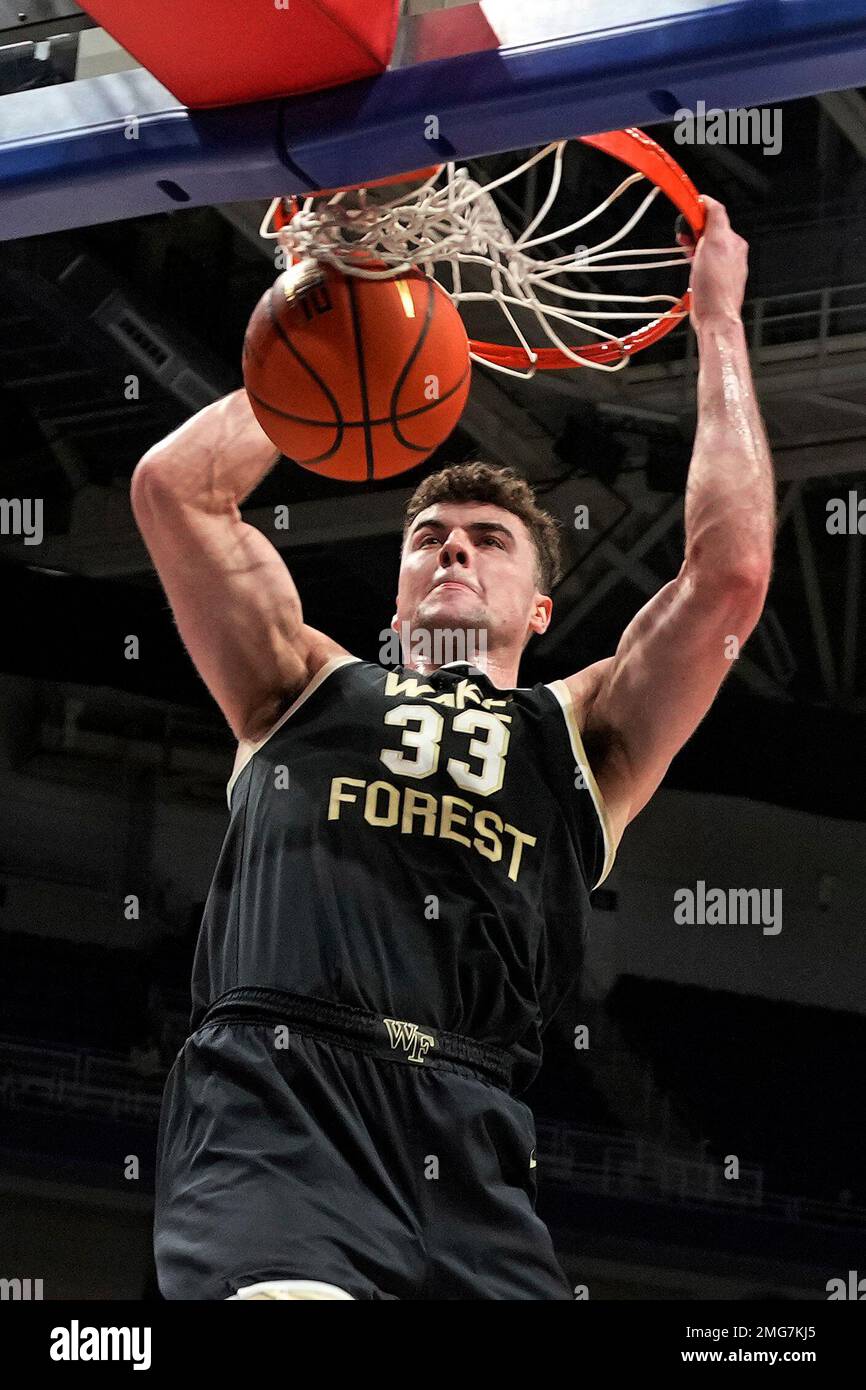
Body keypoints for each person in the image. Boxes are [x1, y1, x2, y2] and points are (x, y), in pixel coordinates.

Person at [131, 198, 775, 1300]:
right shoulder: (299, 681)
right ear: (395, 584)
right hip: (284, 1108)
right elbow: (175, 493)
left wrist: (716, 320)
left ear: (537, 609)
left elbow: (726, 577)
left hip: (473, 1138)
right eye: (428, 537)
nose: (451, 552)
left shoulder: (583, 735)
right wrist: (344, 342)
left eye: (488, 542)